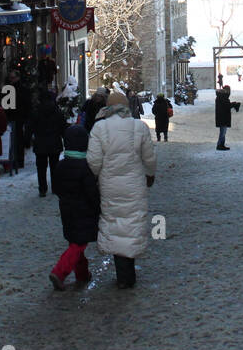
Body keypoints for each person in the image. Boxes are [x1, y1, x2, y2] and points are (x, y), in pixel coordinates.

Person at [87, 90, 156, 289]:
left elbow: (93, 161)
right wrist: (150, 175)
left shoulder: (100, 128)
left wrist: (97, 176)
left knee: (114, 222)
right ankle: (129, 271)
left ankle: (122, 273)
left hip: (109, 184)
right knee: (132, 223)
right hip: (134, 184)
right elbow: (149, 157)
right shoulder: (139, 127)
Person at [49, 124, 99, 290]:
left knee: (75, 242)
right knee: (78, 244)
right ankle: (59, 272)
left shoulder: (61, 165)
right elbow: (92, 192)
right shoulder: (85, 167)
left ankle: (82, 274)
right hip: (84, 212)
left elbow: (55, 188)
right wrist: (98, 207)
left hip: (66, 210)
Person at [27, 87, 67, 197]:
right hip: (55, 143)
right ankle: (55, 187)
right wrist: (66, 140)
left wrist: (27, 140)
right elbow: (63, 128)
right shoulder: (58, 112)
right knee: (55, 167)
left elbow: (30, 127)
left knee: (41, 168)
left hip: (40, 143)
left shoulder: (36, 112)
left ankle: (42, 189)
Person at [4, 68, 31, 172]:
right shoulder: (22, 89)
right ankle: (17, 160)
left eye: (13, 78)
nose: (11, 79)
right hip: (16, 118)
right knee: (16, 140)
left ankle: (16, 160)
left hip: (16, 118)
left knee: (16, 140)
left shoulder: (12, 89)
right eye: (10, 78)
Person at [214, 85, 240, 150]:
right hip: (223, 117)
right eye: (229, 90)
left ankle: (221, 144)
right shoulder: (222, 97)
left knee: (223, 131)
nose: (229, 92)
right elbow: (226, 106)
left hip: (222, 117)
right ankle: (220, 145)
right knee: (223, 132)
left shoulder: (221, 96)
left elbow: (226, 105)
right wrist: (234, 104)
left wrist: (233, 104)